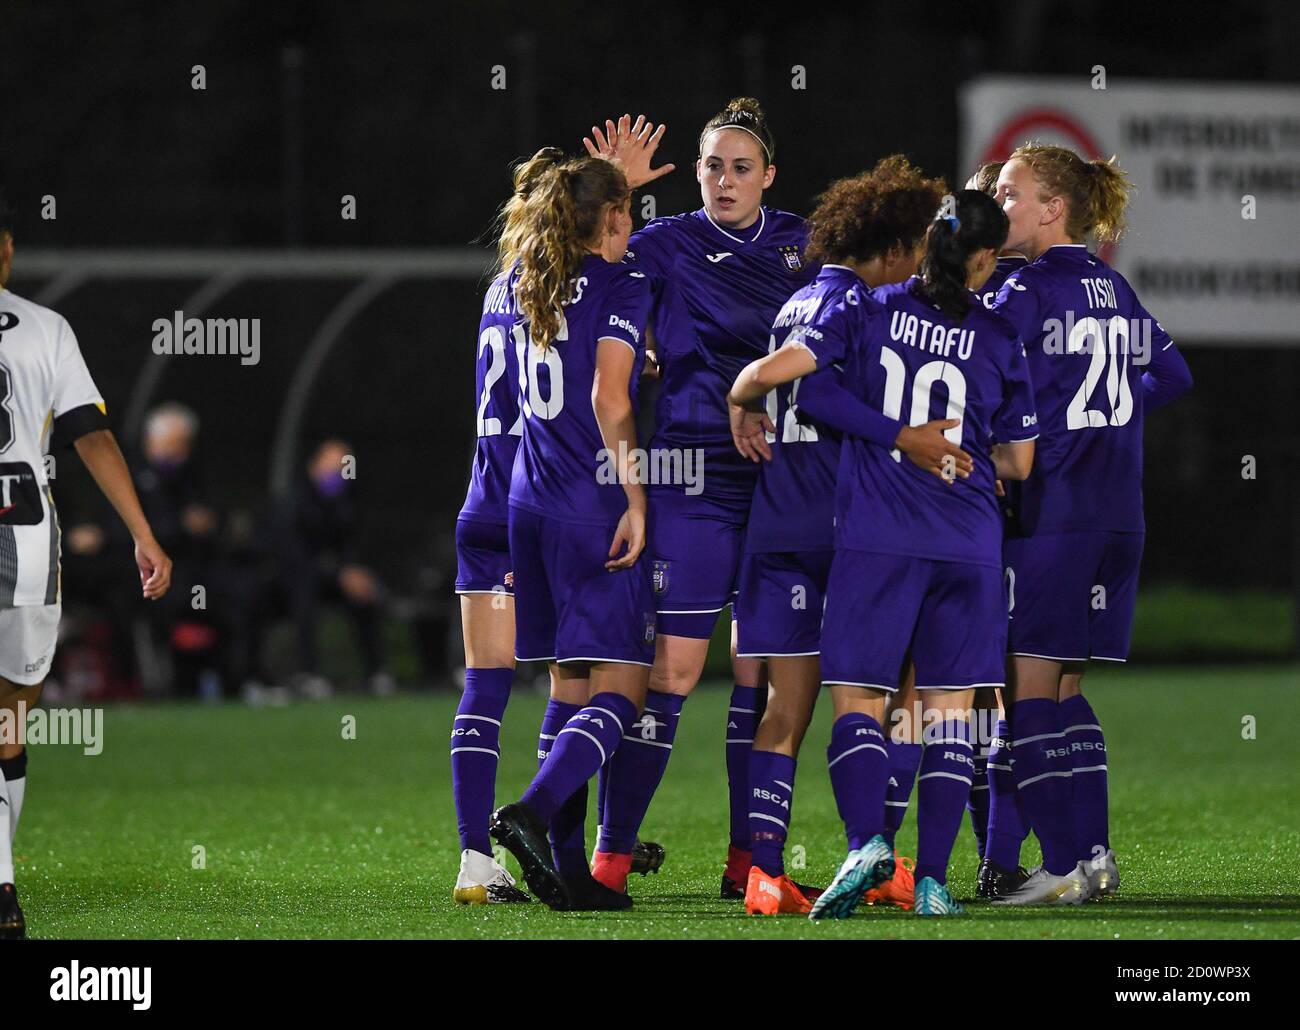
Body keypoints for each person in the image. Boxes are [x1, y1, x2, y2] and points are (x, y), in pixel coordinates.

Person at [738, 189, 1040, 917]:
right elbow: (1021, 462)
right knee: (945, 716)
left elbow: (809, 395)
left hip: (880, 539)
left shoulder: (869, 309)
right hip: (968, 545)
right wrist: (961, 454)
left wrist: (899, 437)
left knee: (860, 702)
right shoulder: (1001, 337)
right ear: (985, 259)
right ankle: (931, 881)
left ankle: (867, 842)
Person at [582, 99, 817, 898]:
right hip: (691, 477)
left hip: (780, 479)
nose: (723, 179)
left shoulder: (802, 245)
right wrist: (610, 187)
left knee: (762, 673)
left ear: (769, 176)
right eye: (713, 164)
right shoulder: (660, 244)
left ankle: (749, 860)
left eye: (740, 167)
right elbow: (580, 262)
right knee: (673, 674)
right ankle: (611, 856)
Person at [988, 144, 1192, 905]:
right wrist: (1112, 414)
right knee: (1067, 687)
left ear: (1053, 208)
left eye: (1011, 192)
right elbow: (1173, 374)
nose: (999, 204)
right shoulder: (1113, 286)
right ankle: (1096, 856)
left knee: (1028, 688)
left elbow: (989, 382)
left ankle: (1064, 863)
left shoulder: (1023, 292)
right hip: (1119, 517)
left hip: (1056, 512)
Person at [0, 189, 173, 938]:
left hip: (27, 543)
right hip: (27, 543)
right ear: (8, 252)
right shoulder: (45, 328)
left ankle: (1, 881)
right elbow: (90, 437)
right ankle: (1, 887)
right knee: (10, 716)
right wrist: (143, 531)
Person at [488, 155, 657, 912]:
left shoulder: (530, 276)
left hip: (528, 499)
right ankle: (530, 810)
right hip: (588, 503)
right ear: (613, 220)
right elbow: (608, 397)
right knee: (624, 692)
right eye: (625, 217)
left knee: (570, 683)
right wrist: (636, 497)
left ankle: (565, 873)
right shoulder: (624, 282)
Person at [272, 438, 393, 698]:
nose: (339, 474)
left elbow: (357, 545)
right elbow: (296, 554)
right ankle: (308, 673)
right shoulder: (294, 501)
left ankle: (377, 672)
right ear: (314, 466)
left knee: (366, 593)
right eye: (332, 466)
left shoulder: (350, 502)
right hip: (300, 579)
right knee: (304, 596)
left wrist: (354, 572)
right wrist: (338, 573)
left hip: (341, 579)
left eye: (344, 466)